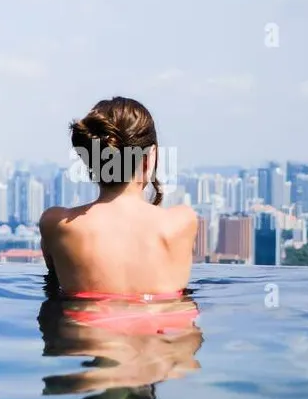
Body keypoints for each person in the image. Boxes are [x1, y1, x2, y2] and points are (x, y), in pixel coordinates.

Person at [39, 97, 197, 307]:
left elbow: (53, 282)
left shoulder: (56, 224)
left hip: (87, 336)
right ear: (150, 159)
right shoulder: (183, 221)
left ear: (90, 162)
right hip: (167, 335)